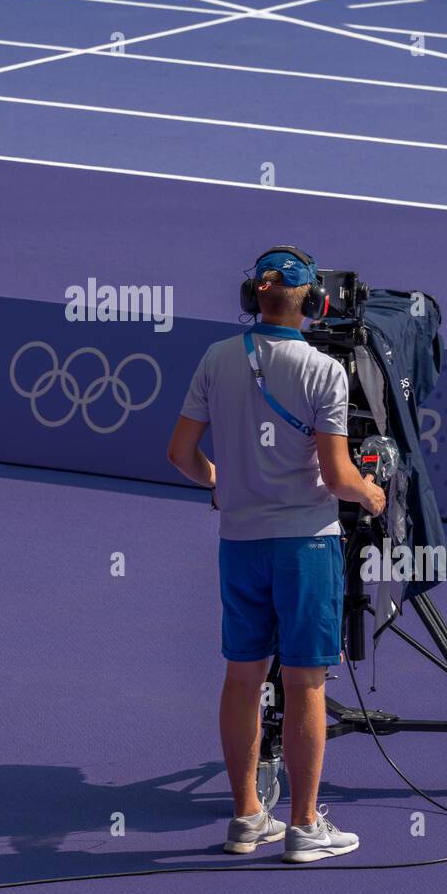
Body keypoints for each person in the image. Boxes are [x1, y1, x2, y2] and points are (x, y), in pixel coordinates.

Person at [167, 247, 386, 863]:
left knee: (243, 679)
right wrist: (371, 493)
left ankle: (245, 819)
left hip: (239, 545)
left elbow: (181, 455)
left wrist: (223, 482)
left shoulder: (216, 358)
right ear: (313, 305)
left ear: (251, 299)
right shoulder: (325, 372)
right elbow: (339, 477)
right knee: (306, 681)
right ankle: (304, 827)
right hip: (306, 546)